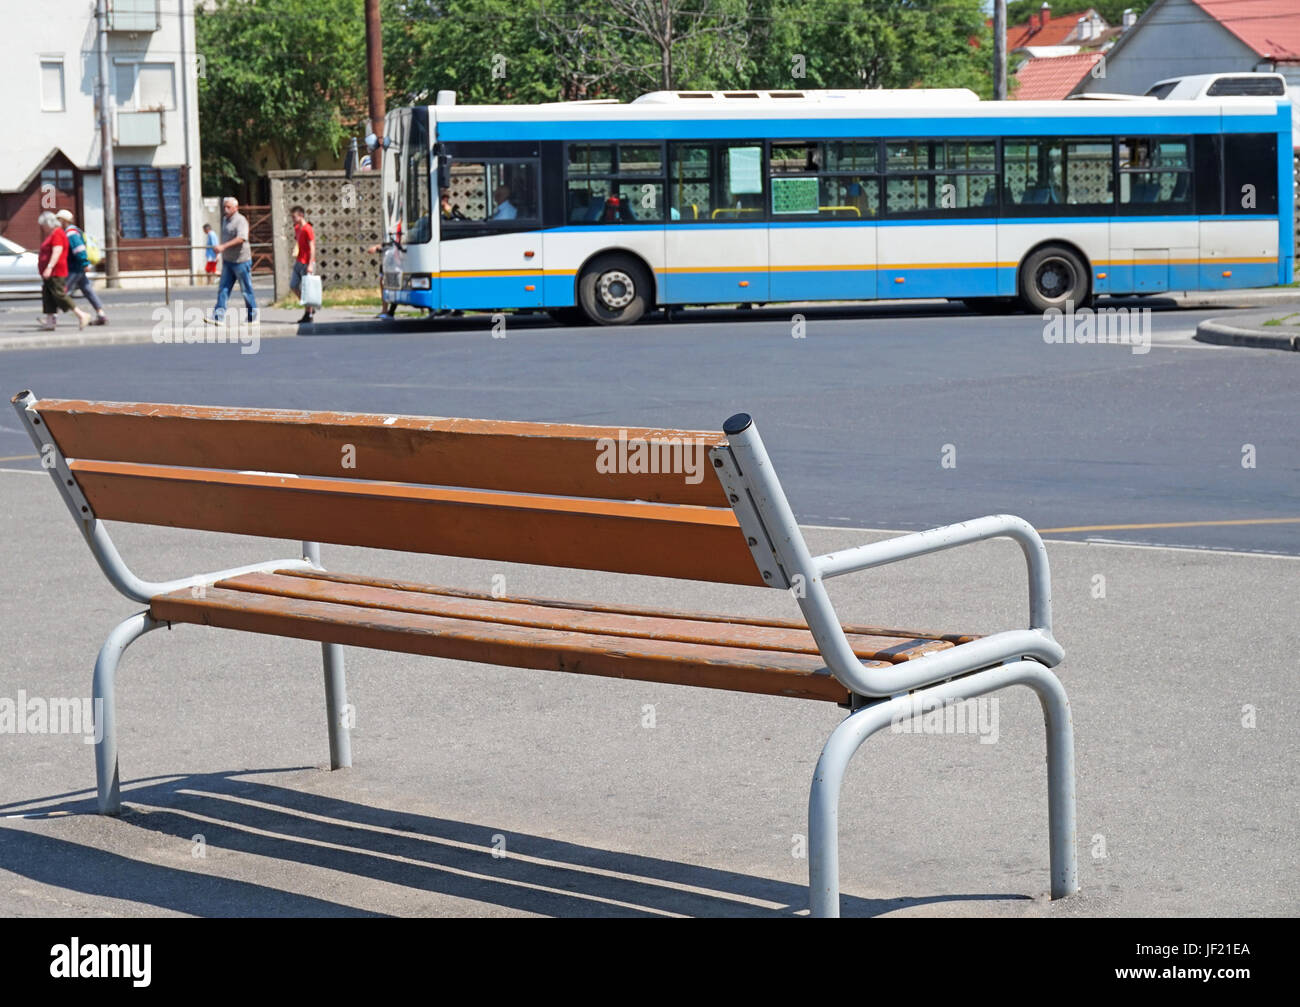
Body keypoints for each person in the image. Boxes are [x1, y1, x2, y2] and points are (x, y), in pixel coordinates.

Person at [35, 211, 91, 331]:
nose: (42, 228)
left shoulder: (57, 234)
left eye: (43, 225)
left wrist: (49, 267)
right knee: (48, 295)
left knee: (59, 295)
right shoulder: (52, 234)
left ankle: (81, 315)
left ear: (49, 224)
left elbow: (57, 251)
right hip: (51, 272)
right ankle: (50, 322)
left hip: (56, 271)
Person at [209, 196, 257, 323]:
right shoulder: (225, 220)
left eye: (228, 207)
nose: (226, 209)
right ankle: (218, 316)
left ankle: (252, 316)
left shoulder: (241, 221)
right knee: (223, 288)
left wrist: (223, 247)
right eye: (225, 206)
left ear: (236, 208)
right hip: (228, 261)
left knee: (246, 289)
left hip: (241, 260)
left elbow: (241, 238)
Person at [55, 209, 107, 324]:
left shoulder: (71, 233)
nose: (57, 223)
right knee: (87, 290)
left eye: (58, 220)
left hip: (74, 268)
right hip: (78, 267)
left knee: (61, 292)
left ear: (64, 220)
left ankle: (52, 317)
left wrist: (84, 263)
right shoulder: (74, 231)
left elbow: (79, 250)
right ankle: (101, 314)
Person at [288, 205, 316, 323]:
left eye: (294, 217)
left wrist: (310, 264)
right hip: (299, 261)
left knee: (306, 289)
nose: (293, 219)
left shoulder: (307, 229)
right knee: (294, 285)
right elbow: (298, 242)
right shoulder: (297, 228)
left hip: (307, 262)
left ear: (301, 216)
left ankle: (308, 314)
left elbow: (312, 247)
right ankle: (308, 307)